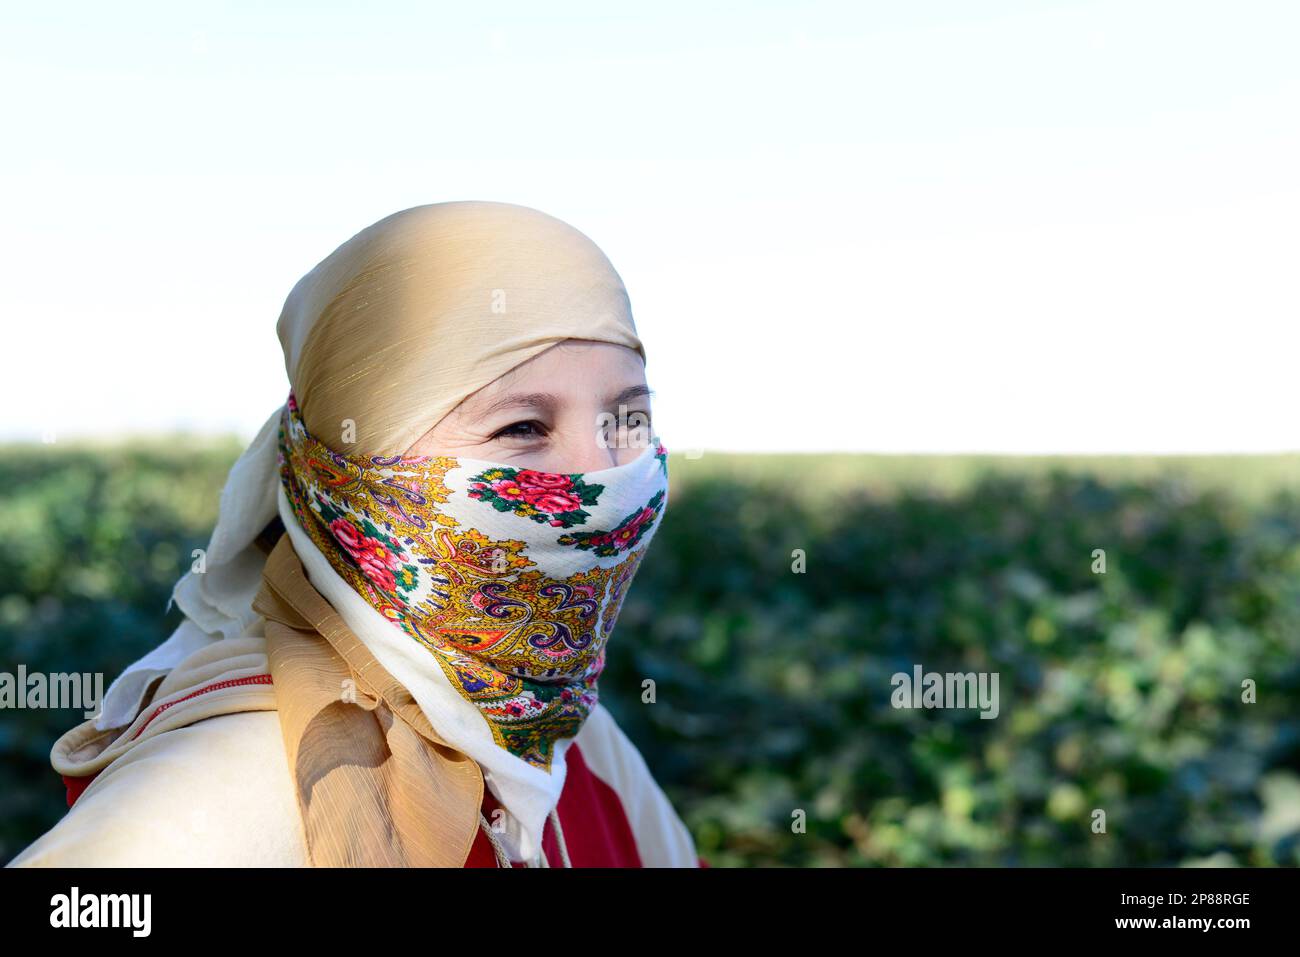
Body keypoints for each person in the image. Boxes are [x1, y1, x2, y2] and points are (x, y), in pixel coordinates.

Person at [7, 201, 702, 868]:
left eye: (626, 422)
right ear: (352, 472)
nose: (602, 480)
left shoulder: (572, 744)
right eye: (522, 428)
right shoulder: (220, 795)